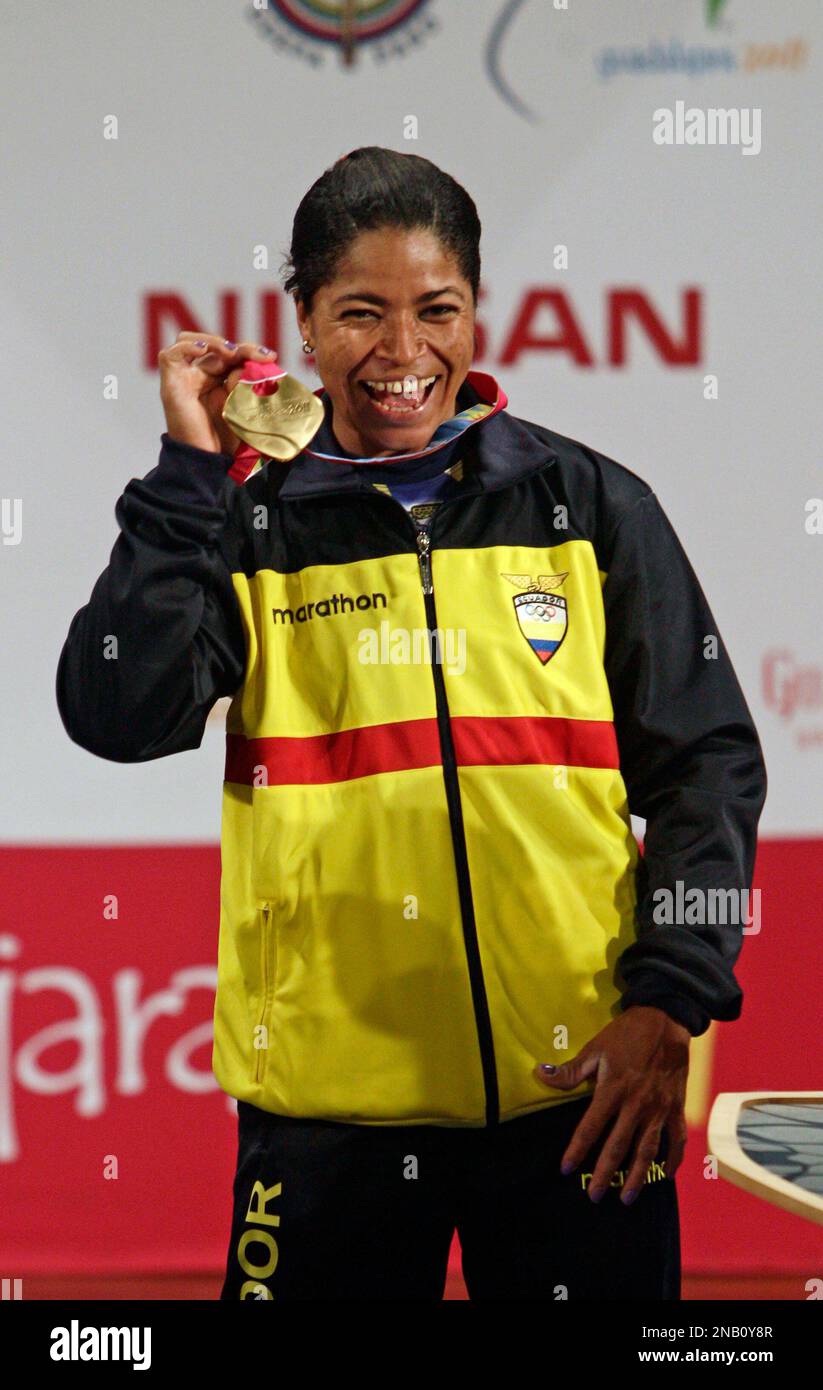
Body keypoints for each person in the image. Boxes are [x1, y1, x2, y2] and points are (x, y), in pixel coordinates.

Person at [56, 146, 767, 1301]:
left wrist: (668, 1001)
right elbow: (115, 713)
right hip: (322, 1122)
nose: (401, 353)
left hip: (577, 1101)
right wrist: (190, 471)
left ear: (477, 314)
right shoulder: (249, 526)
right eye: (359, 314)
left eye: (436, 310)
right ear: (300, 322)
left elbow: (710, 767)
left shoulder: (592, 506)